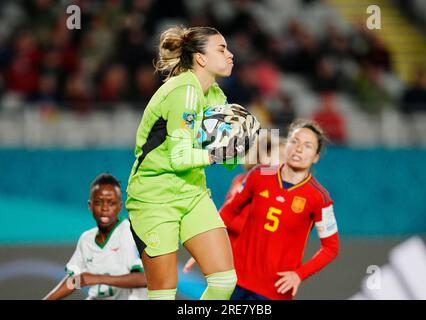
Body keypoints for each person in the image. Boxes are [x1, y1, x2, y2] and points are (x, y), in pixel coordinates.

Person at [126, 26, 242, 300]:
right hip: (153, 199)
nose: (231, 55)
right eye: (222, 49)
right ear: (200, 58)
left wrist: (241, 147)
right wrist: (217, 155)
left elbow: (227, 160)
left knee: (224, 281)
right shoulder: (183, 91)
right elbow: (180, 158)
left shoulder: (215, 96)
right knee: (164, 295)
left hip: (192, 194)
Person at [186, 119, 339, 300]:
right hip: (235, 281)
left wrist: (299, 274)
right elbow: (229, 210)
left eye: (307, 145)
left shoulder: (319, 197)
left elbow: (331, 247)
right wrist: (206, 244)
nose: (298, 148)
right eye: (294, 141)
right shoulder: (259, 174)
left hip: (273, 292)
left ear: (316, 156)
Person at [43, 173, 147, 300]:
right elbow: (76, 280)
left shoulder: (129, 233)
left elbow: (145, 278)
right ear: (90, 205)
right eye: (98, 202)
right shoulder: (86, 239)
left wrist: (96, 278)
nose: (104, 208)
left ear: (120, 206)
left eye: (111, 203)